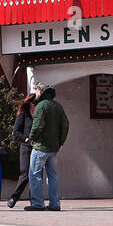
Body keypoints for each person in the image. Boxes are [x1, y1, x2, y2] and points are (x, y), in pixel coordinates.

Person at [24, 84, 69, 212]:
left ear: (40, 91)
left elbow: (37, 126)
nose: (35, 93)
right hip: (53, 149)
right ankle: (55, 204)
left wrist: (31, 138)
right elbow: (65, 125)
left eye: (36, 90)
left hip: (40, 147)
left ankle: (38, 203)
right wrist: (61, 142)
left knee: (35, 175)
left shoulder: (41, 106)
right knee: (52, 176)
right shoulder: (57, 106)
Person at [5, 91, 37, 208]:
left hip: (38, 148)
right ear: (31, 104)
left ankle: (35, 201)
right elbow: (16, 133)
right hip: (26, 147)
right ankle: (14, 197)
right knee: (25, 174)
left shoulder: (39, 115)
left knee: (36, 175)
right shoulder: (23, 114)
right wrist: (26, 139)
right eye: (35, 104)